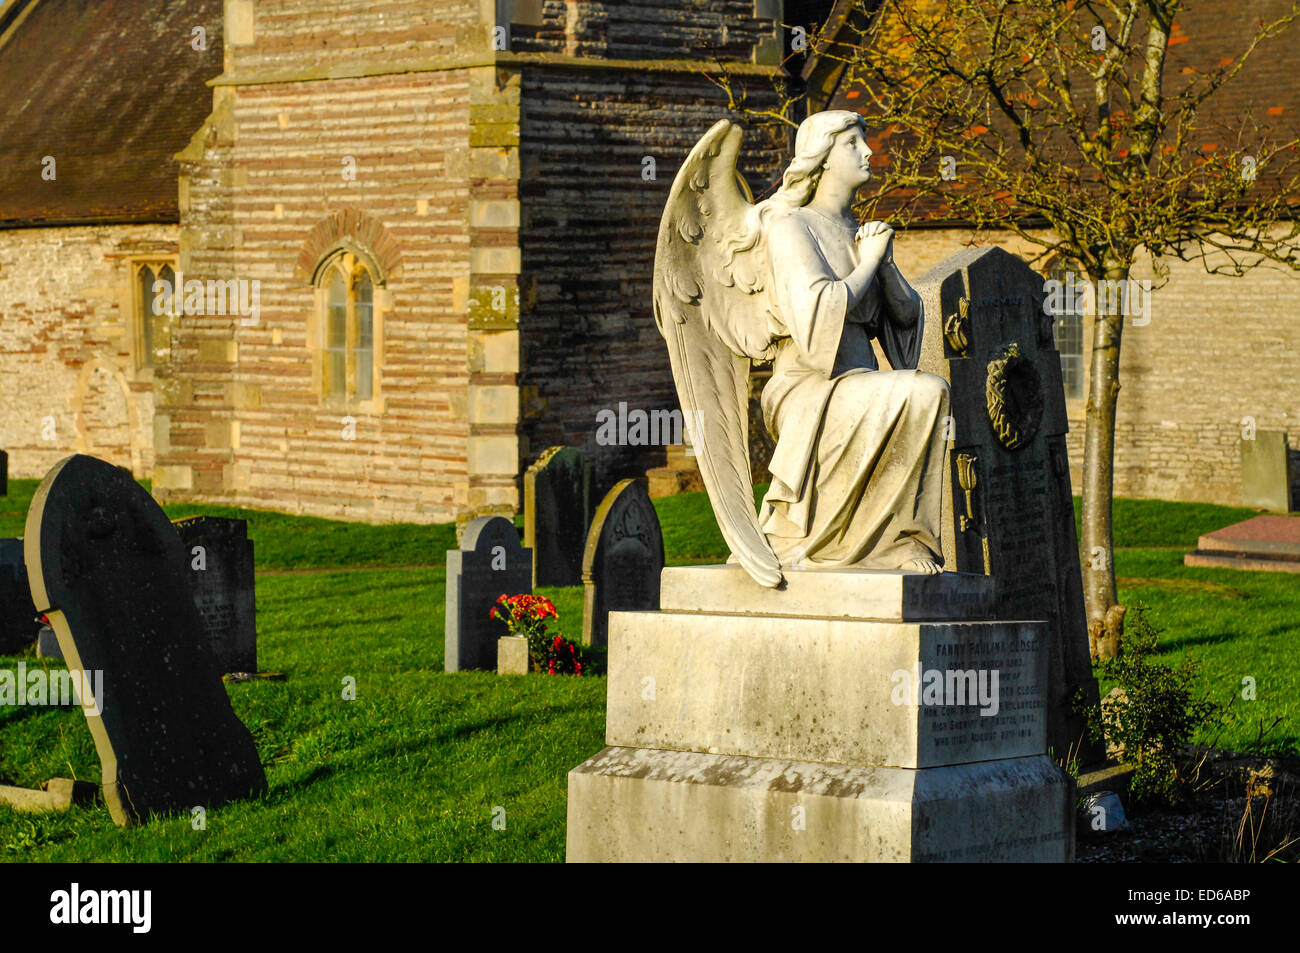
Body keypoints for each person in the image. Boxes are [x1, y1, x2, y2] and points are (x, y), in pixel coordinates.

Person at [752, 110, 950, 573]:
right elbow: (821, 309)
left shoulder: (857, 230)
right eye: (853, 143)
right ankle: (895, 539)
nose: (868, 151)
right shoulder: (790, 226)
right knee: (926, 392)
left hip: (858, 379)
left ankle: (893, 540)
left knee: (924, 393)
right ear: (822, 158)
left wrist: (886, 264)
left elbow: (905, 321)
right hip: (809, 385)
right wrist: (869, 262)